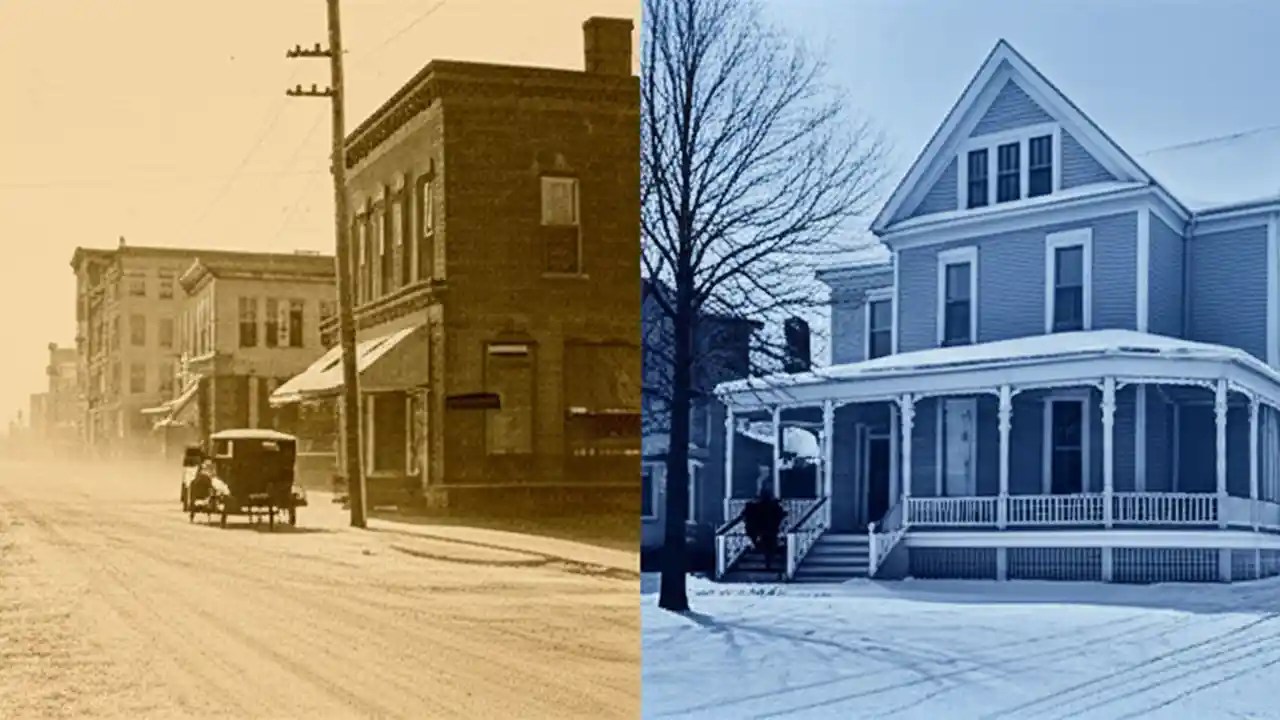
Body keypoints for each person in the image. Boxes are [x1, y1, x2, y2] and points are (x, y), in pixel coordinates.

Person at [741, 486, 788, 572]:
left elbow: (746, 515)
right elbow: (780, 515)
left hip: (765, 530)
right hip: (768, 530)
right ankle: (768, 562)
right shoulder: (770, 505)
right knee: (769, 546)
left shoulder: (760, 505)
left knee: (768, 546)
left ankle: (768, 562)